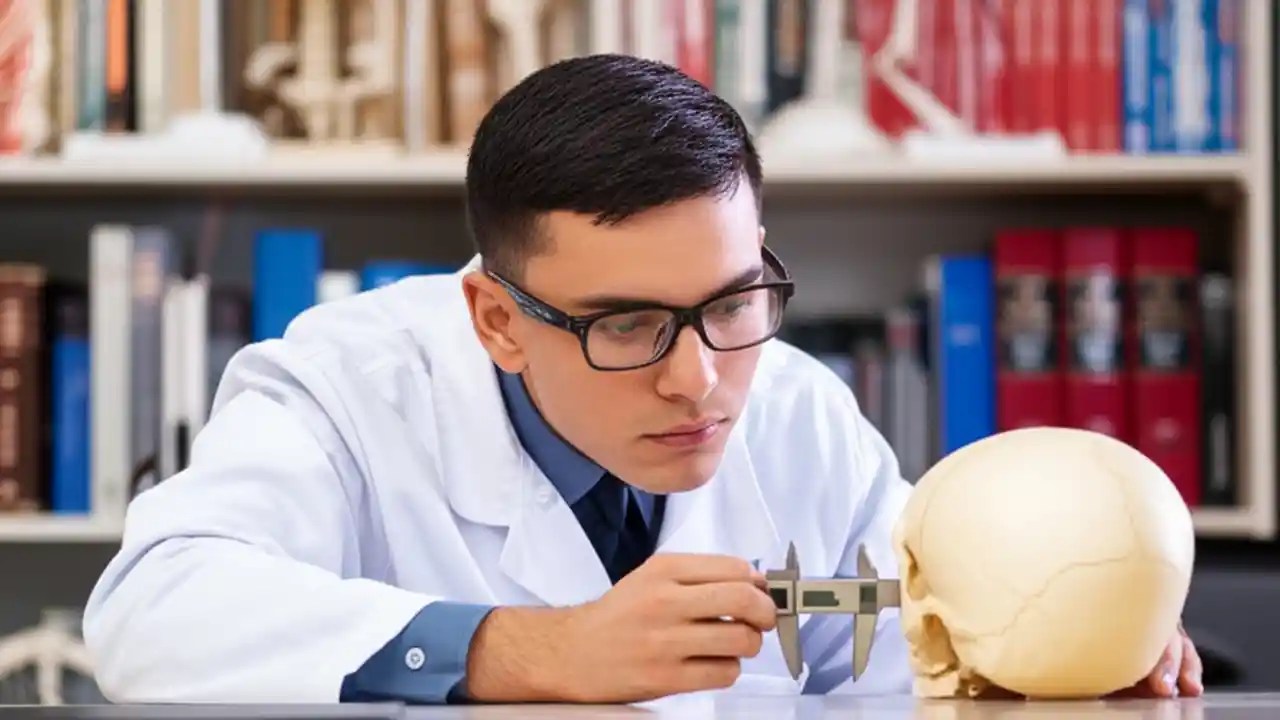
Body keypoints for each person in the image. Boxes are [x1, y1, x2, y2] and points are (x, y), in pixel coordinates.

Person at [81, 54, 1202, 705]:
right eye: (625, 323)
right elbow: (152, 618)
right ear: (496, 321)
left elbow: (899, 663)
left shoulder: (797, 404)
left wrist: (1042, 659)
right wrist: (526, 649)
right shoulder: (341, 387)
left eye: (730, 302)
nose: (699, 380)